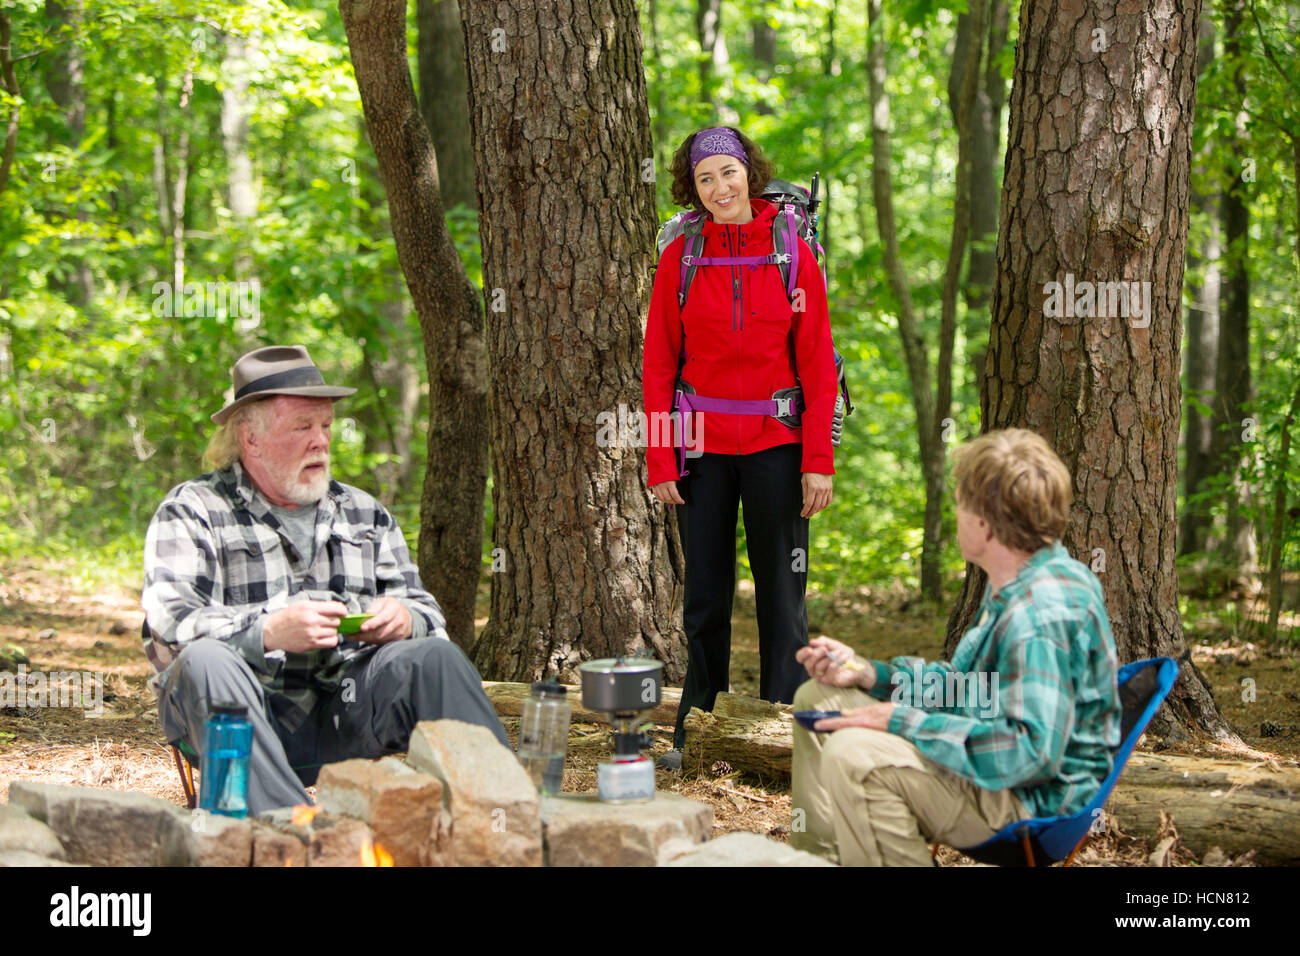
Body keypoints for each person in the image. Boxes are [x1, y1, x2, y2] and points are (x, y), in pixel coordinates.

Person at [142, 345, 508, 814]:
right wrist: (269, 630)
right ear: (250, 438)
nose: (321, 441)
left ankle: (508, 821)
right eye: (303, 428)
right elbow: (170, 622)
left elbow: (426, 610)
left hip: (344, 707)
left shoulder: (363, 512)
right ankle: (296, 841)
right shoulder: (192, 509)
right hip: (234, 715)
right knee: (207, 660)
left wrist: (405, 618)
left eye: (326, 426)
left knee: (434, 656)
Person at [789, 428, 1120, 866]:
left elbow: (1030, 754)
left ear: (984, 522)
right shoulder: (1018, 579)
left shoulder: (1038, 617)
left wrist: (902, 722)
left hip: (1028, 800)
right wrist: (872, 675)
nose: (956, 514)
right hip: (997, 770)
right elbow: (970, 689)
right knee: (817, 696)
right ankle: (821, 859)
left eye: (961, 505)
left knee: (854, 755)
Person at [643, 127, 840, 767]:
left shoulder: (790, 251)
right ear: (692, 190)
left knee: (783, 594)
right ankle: (697, 728)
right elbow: (658, 366)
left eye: (728, 172)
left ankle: (786, 731)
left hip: (778, 445)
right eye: (705, 179)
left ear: (749, 174)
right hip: (699, 446)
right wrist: (662, 456)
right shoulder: (680, 257)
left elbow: (816, 364)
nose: (720, 187)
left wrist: (818, 461)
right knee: (704, 595)